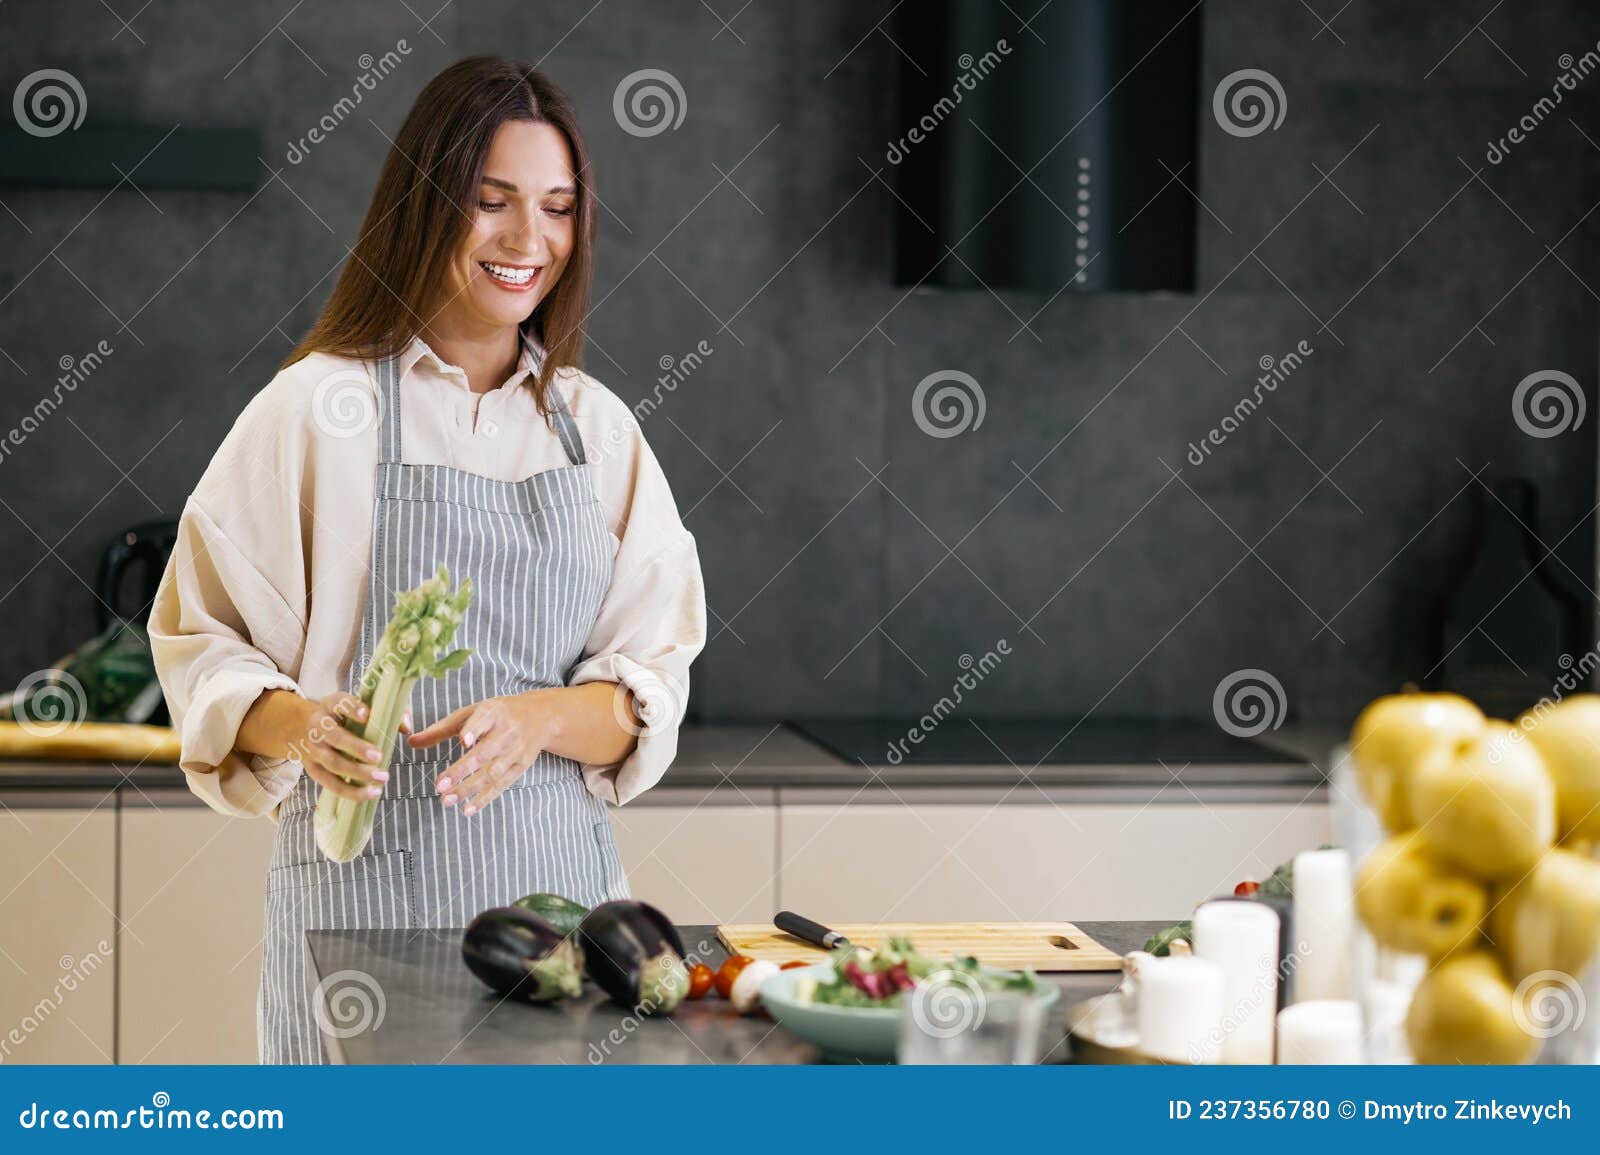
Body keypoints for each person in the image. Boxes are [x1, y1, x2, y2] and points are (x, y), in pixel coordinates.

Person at [149, 56, 706, 1064]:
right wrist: (306, 725)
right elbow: (203, 643)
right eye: (490, 202)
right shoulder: (318, 410)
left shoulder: (599, 431)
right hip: (358, 936)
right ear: (426, 202)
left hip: (565, 947)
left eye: (556, 208)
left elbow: (647, 685)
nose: (526, 240)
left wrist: (538, 718)